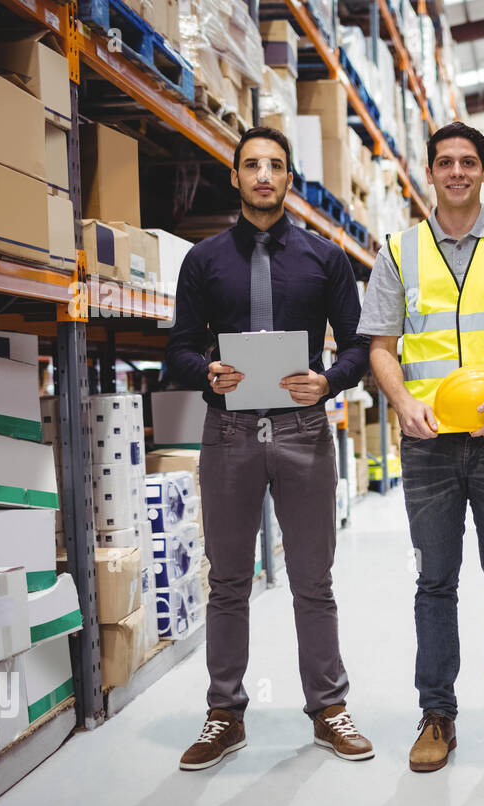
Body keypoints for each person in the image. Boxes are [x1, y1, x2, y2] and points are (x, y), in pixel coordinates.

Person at [165, 127, 374, 770]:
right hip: (229, 430)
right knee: (228, 580)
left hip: (302, 430)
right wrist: (205, 371)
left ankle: (329, 711)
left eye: (275, 166)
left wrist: (329, 380)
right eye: (251, 164)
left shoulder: (325, 258)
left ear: (290, 179)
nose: (263, 175)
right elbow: (176, 349)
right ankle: (224, 715)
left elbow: (361, 346)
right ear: (236, 177)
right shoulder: (203, 262)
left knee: (313, 579)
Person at [359, 122, 484, 772]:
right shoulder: (398, 251)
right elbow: (381, 348)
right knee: (435, 581)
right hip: (429, 446)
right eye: (445, 162)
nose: (457, 172)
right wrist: (402, 402)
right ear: (429, 172)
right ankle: (437, 716)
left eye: (468, 162)